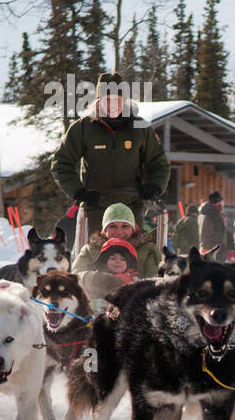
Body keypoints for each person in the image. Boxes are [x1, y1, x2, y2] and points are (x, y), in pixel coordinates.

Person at [51, 71, 169, 233]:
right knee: (94, 257)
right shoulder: (83, 128)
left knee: (134, 254)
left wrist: (154, 186)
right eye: (107, 100)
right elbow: (61, 164)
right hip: (95, 207)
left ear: (125, 101)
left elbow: (158, 163)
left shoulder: (141, 128)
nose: (112, 105)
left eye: (117, 100)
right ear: (98, 102)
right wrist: (79, 192)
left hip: (132, 206)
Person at [70, 202, 162, 280]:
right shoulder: (90, 250)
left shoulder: (148, 250)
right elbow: (76, 276)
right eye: (112, 226)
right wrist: (97, 279)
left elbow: (156, 279)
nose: (119, 232)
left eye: (125, 226)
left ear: (133, 229)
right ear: (104, 230)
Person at [80, 237, 141, 308]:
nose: (117, 261)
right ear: (105, 261)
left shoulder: (134, 282)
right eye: (112, 258)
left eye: (123, 259)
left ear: (129, 264)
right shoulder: (95, 278)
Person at [198, 191, 227, 261]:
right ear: (218, 202)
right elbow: (218, 233)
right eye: (222, 201)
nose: (223, 203)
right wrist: (221, 248)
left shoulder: (205, 212)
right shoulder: (214, 214)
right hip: (214, 249)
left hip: (205, 246)